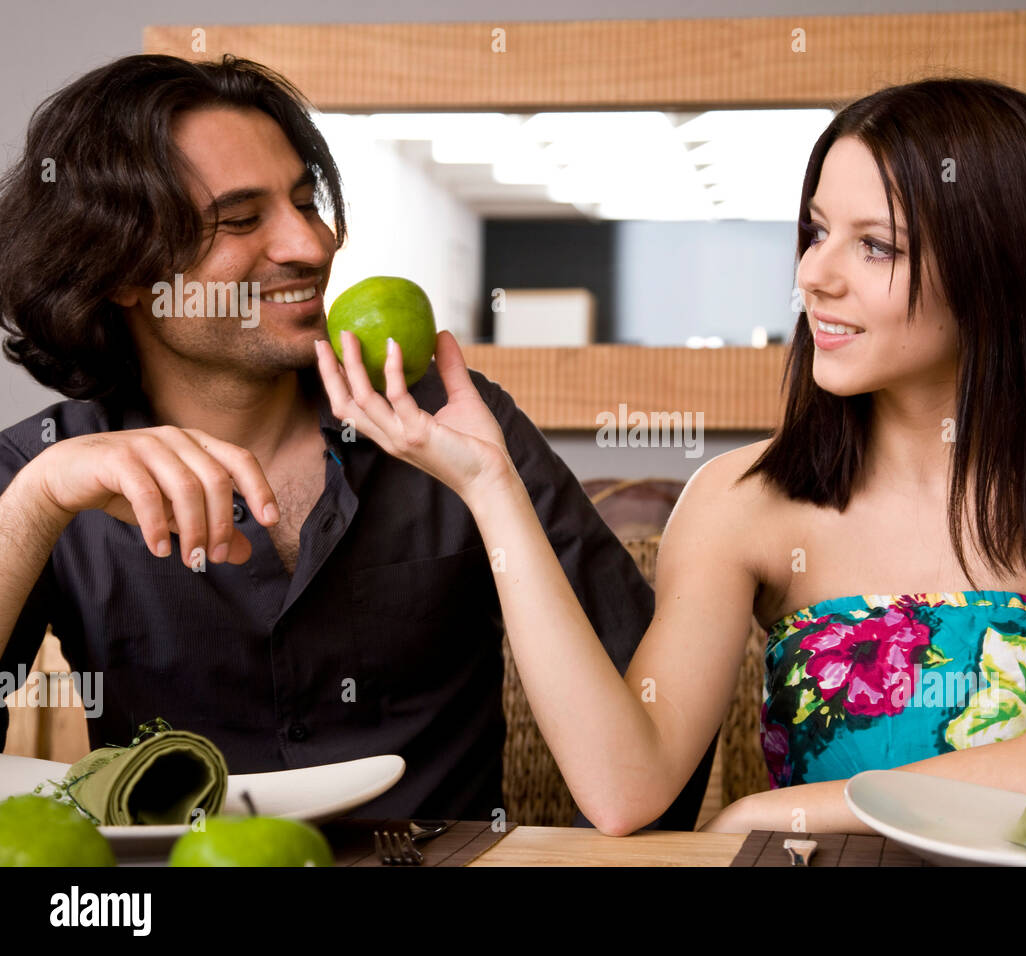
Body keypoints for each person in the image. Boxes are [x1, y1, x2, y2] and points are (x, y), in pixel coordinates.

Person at [313, 77, 1026, 836]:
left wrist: (770, 813)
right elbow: (627, 788)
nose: (814, 273)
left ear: (998, 269)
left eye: (876, 244)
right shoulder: (744, 497)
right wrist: (488, 482)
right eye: (816, 231)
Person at [0, 53, 712, 829]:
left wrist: (489, 489)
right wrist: (35, 505)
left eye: (306, 202)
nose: (311, 244)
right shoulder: (45, 471)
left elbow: (651, 771)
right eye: (241, 220)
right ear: (123, 271)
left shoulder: (459, 425)